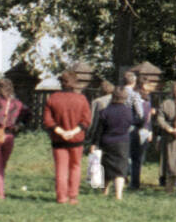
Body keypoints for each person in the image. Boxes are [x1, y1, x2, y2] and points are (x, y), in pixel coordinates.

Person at [43, 70, 91, 205]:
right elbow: (86, 121)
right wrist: (73, 132)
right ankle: (73, 196)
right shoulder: (81, 99)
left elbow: (48, 121)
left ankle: (61, 197)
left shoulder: (53, 98)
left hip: (58, 139)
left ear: (61, 82)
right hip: (77, 138)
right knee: (75, 167)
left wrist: (62, 132)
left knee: (61, 168)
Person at [94, 85, 136, 199]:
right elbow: (131, 123)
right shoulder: (128, 111)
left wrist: (95, 143)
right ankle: (118, 194)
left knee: (106, 167)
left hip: (107, 142)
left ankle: (104, 191)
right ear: (125, 97)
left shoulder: (105, 111)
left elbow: (99, 130)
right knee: (120, 169)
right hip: (123, 142)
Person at [130, 80, 156, 191]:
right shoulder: (135, 100)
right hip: (136, 129)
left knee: (139, 158)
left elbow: (149, 119)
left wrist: (150, 131)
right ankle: (134, 182)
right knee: (135, 158)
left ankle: (134, 181)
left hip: (145, 130)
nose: (147, 93)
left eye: (148, 91)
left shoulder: (148, 101)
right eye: (145, 90)